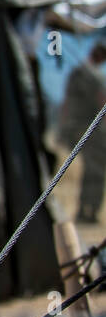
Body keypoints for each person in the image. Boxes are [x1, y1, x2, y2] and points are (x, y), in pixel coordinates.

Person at [61, 40, 106, 223]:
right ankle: (90, 211)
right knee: (97, 172)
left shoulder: (75, 73)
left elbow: (65, 105)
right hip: (92, 130)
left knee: (90, 169)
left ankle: (83, 210)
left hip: (74, 129)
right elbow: (102, 102)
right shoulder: (96, 77)